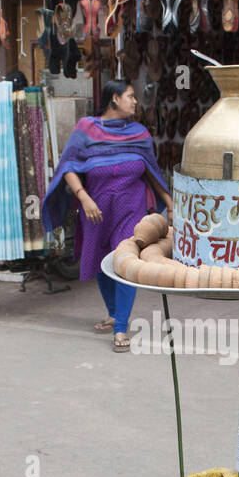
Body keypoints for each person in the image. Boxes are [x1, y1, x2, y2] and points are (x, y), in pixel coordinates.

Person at [41, 79, 170, 353]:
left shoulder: (140, 133)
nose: (135, 102)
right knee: (102, 262)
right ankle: (113, 312)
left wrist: (170, 202)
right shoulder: (86, 129)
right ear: (114, 99)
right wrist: (83, 197)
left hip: (131, 208)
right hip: (96, 210)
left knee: (125, 262)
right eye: (130, 96)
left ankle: (121, 326)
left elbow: (150, 171)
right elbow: (69, 166)